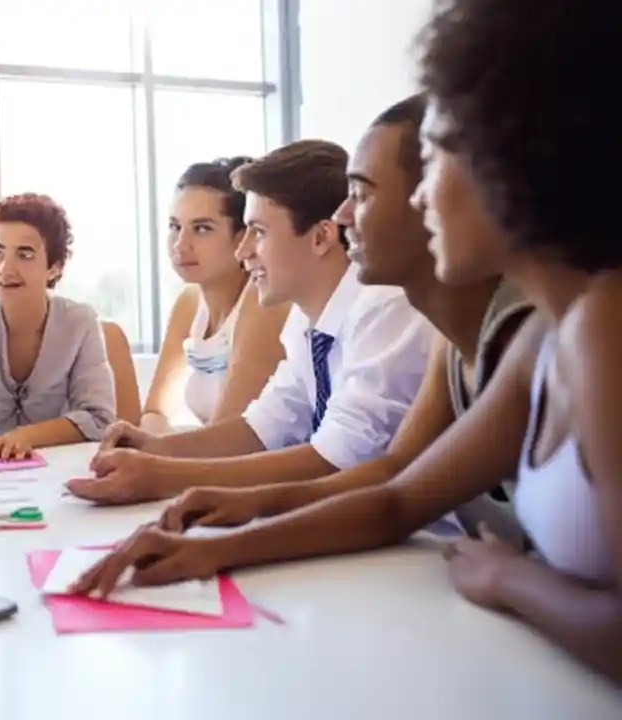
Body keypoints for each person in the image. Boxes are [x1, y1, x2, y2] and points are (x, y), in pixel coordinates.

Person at [74, 0, 622, 685]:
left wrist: (512, 581)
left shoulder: (601, 328)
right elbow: (398, 492)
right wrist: (222, 544)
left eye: (443, 153)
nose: (424, 197)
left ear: (514, 158)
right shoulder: (540, 335)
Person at [153, 95, 530, 542]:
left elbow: (350, 465)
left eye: (362, 194)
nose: (344, 216)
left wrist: (171, 479)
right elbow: (392, 488)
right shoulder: (445, 343)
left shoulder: (400, 311)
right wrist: (193, 490)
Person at [68, 139, 433, 505]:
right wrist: (155, 447)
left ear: (321, 237)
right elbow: (261, 427)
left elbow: (336, 458)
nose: (243, 253)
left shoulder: (384, 306)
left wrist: (164, 474)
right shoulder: (304, 322)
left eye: (258, 232)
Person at [0, 193, 116, 468]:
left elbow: (99, 419)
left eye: (25, 254)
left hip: (59, 471)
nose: (5, 268)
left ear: (54, 267)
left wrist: (28, 436)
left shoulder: (80, 322)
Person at [139, 158, 290, 433]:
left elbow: (227, 433)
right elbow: (154, 412)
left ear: (243, 236)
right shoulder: (189, 302)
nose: (180, 245)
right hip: (213, 461)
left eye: (202, 229)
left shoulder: (264, 301)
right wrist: (152, 447)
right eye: (174, 226)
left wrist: (155, 454)